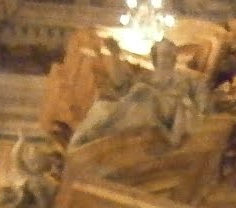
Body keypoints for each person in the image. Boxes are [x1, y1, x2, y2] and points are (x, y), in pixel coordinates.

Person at [69, 36, 209, 149]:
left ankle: (99, 134)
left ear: (174, 58)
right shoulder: (147, 76)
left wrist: (200, 110)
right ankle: (79, 143)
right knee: (102, 106)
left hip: (162, 110)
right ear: (155, 58)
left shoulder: (183, 77)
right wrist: (115, 54)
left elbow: (200, 92)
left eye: (168, 55)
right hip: (135, 105)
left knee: (143, 96)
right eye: (161, 55)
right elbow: (121, 82)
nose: (165, 59)